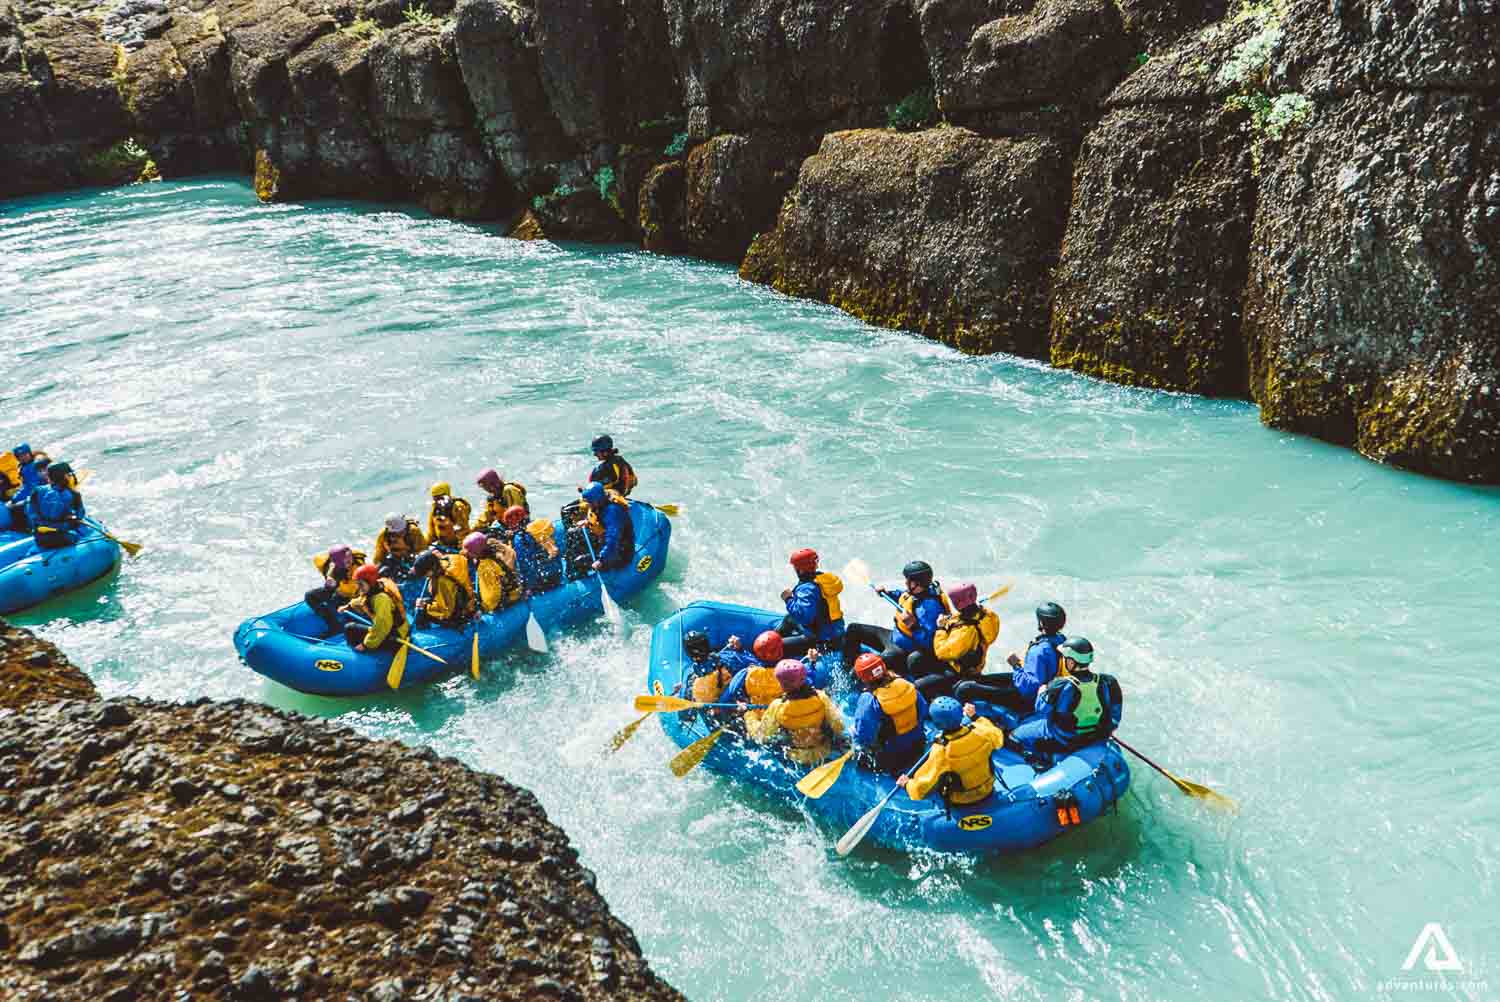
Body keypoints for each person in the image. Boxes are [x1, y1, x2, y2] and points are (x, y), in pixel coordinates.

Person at [1005, 638, 1122, 762]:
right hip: (1094, 736)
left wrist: (1042, 691)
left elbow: (1041, 710)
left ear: (1071, 662)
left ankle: (1030, 757)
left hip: (1063, 736)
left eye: (1065, 658)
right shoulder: (1109, 682)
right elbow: (1115, 716)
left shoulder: (1060, 685)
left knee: (1016, 733)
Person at [957, 601, 1067, 715]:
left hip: (1025, 697)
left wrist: (1015, 665)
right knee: (979, 680)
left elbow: (1030, 687)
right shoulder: (1061, 639)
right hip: (1033, 682)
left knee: (965, 688)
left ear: (1041, 623)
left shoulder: (1039, 650)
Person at [841, 559, 946, 674]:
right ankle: (847, 667)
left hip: (902, 650)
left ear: (918, 583)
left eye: (909, 580)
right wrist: (888, 593)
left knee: (867, 668)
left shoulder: (930, 608)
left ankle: (853, 680)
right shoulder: (915, 592)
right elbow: (903, 596)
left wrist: (913, 626)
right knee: (853, 629)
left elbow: (931, 643)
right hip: (892, 636)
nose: (906, 582)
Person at [898, 697, 1004, 806]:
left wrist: (908, 784)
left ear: (937, 725)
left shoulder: (941, 751)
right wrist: (975, 717)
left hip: (962, 799)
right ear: (961, 715)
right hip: (987, 789)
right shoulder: (982, 732)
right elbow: (998, 738)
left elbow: (920, 789)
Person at [909, 582, 1000, 701]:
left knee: (918, 686)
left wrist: (941, 628)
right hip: (968, 662)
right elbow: (983, 628)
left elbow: (942, 653)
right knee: (916, 657)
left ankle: (933, 697)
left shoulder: (965, 631)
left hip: (957, 671)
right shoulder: (987, 616)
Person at [749, 659, 845, 766]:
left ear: (782, 685)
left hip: (794, 758)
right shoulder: (821, 697)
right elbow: (838, 726)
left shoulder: (777, 706)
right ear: (804, 678)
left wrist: (749, 716)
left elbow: (762, 736)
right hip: (823, 752)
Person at [850, 652, 929, 775]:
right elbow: (923, 710)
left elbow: (864, 736)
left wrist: (854, 735)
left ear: (863, 678)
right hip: (918, 746)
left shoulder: (869, 699)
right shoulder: (905, 684)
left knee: (859, 758)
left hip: (891, 758)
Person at [721, 630, 804, 730]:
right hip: (782, 718)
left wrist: (737, 702)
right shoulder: (790, 674)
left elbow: (727, 697)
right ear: (781, 651)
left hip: (757, 719)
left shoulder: (747, 673)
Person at [778, 548, 845, 658]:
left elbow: (804, 617)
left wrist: (788, 599)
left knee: (776, 647)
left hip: (821, 641)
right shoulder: (823, 579)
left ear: (799, 569)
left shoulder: (808, 589)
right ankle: (775, 636)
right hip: (835, 632)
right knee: (789, 618)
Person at [342, 563, 410, 653]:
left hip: (395, 635)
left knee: (349, 628)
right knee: (349, 628)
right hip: (389, 629)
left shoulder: (382, 599)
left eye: (361, 584)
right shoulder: (374, 588)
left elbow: (382, 626)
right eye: (357, 584)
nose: (358, 587)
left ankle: (361, 658)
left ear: (370, 582)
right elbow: (363, 600)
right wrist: (349, 605)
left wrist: (366, 645)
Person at [681, 630, 757, 706]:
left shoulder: (692, 679)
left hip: (715, 708)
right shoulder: (728, 658)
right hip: (740, 700)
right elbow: (755, 664)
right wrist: (740, 649)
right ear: (707, 644)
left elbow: (685, 712)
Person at [305, 543, 365, 635]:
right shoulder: (330, 566)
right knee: (310, 595)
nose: (350, 560)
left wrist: (336, 586)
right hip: (339, 593)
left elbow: (355, 590)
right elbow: (330, 574)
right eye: (346, 559)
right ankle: (333, 625)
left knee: (351, 619)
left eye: (350, 556)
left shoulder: (358, 568)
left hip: (356, 597)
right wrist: (329, 584)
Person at [25, 462, 86, 549]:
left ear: (50, 478)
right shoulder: (73, 494)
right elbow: (80, 515)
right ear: (66, 476)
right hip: (61, 537)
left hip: (39, 536)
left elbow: (31, 514)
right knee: (76, 535)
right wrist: (72, 521)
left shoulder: (37, 490)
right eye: (70, 475)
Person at [412, 548, 475, 628]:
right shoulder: (451, 560)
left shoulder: (441, 582)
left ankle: (421, 631)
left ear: (431, 570)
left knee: (421, 610)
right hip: (469, 602)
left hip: (459, 615)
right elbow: (462, 558)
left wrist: (424, 606)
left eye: (425, 574)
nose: (425, 577)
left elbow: (445, 612)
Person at [504, 505, 561, 592]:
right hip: (557, 574)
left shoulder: (520, 538)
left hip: (543, 582)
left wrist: (528, 588)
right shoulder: (538, 527)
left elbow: (525, 566)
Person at [464, 531, 523, 613]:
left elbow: (492, 597)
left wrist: (485, 608)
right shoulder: (499, 552)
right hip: (519, 601)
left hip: (506, 610)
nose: (466, 553)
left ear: (476, 552)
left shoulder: (485, 566)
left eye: (468, 551)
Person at [579, 482, 633, 571]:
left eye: (590, 502)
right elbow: (599, 518)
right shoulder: (601, 504)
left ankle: (579, 580)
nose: (589, 504)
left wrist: (601, 560)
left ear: (598, 499)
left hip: (620, 552)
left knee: (580, 561)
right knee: (573, 533)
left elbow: (613, 540)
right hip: (606, 543)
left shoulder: (612, 512)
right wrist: (587, 522)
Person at [373, 513, 426, 578]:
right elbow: (378, 559)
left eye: (399, 534)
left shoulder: (414, 532)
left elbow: (423, 553)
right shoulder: (384, 536)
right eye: (392, 534)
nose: (394, 539)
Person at [426, 482, 472, 550]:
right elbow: (431, 531)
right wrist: (425, 545)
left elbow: (463, 530)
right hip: (442, 545)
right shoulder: (435, 509)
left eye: (439, 497)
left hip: (457, 545)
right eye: (435, 498)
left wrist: (462, 548)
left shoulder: (457, 506)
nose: (437, 500)